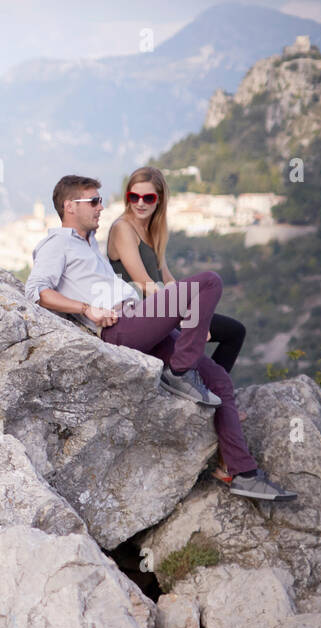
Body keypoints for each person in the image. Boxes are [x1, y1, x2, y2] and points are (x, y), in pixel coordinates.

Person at [24, 174, 295, 502]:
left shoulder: (88, 244)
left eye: (100, 200)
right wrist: (88, 309)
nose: (101, 207)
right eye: (93, 201)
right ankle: (181, 370)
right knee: (208, 282)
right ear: (69, 207)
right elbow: (36, 291)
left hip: (140, 320)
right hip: (121, 328)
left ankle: (243, 473)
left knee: (220, 381)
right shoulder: (57, 244)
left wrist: (191, 321)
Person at [109, 166, 248, 483]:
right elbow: (144, 284)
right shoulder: (122, 229)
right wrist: (188, 317)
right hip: (143, 315)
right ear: (128, 197)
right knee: (208, 301)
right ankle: (202, 388)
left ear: (159, 200)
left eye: (148, 197)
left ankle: (209, 388)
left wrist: (195, 315)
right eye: (134, 196)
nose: (140, 203)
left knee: (234, 332)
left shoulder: (154, 231)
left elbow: (167, 279)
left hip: (166, 306)